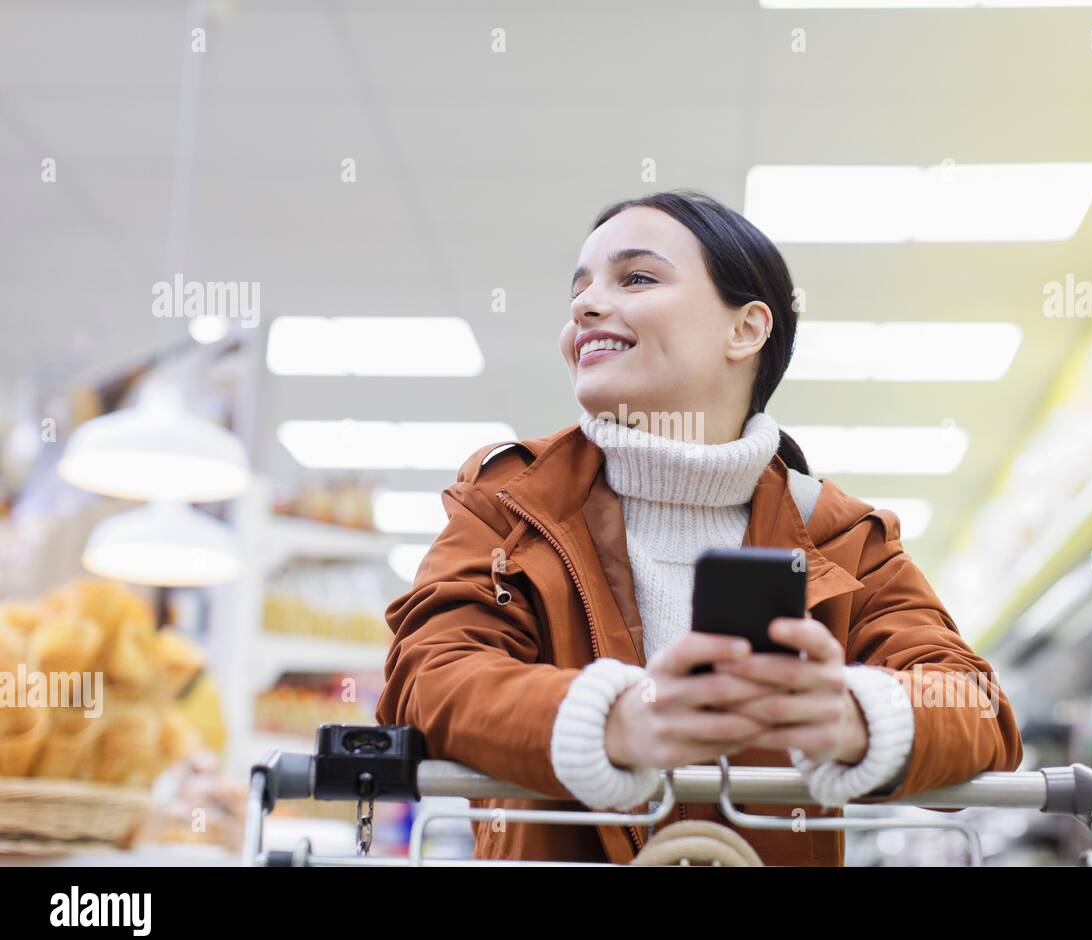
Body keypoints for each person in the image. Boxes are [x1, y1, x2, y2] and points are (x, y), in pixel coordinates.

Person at [376, 189, 1022, 865]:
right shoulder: (506, 505)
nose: (586, 305)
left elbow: (978, 709)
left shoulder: (842, 537)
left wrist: (856, 716)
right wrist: (618, 720)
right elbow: (427, 681)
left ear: (744, 330)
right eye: (582, 287)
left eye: (637, 278)